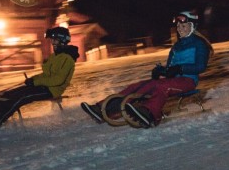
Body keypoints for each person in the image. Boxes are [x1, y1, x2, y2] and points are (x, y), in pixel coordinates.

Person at [81, 11, 213, 127]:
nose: (180, 29)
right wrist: (161, 71)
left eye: (183, 26)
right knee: (137, 86)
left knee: (162, 87)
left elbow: (200, 67)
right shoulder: (176, 47)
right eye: (178, 26)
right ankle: (102, 108)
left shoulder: (199, 45)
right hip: (173, 80)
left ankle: (150, 113)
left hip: (188, 81)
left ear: (192, 26)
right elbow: (169, 68)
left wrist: (180, 69)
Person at [0, 26, 79, 129]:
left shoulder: (67, 59)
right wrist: (33, 79)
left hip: (52, 90)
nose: (52, 43)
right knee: (9, 94)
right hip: (44, 86)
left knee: (21, 98)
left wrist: (36, 81)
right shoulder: (55, 57)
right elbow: (47, 75)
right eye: (52, 40)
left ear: (62, 40)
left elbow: (58, 79)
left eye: (54, 40)